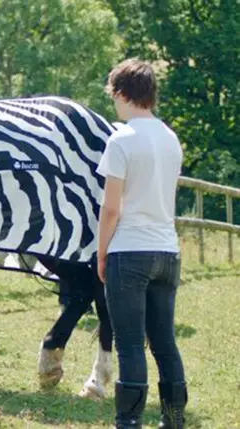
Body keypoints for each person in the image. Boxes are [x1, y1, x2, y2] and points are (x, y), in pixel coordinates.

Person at [96, 58, 187, 428]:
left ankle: (129, 422)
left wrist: (102, 251)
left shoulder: (122, 139)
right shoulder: (170, 138)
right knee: (165, 342)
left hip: (130, 251)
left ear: (121, 93)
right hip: (168, 250)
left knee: (130, 343)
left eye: (113, 96)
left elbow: (111, 207)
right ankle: (174, 418)